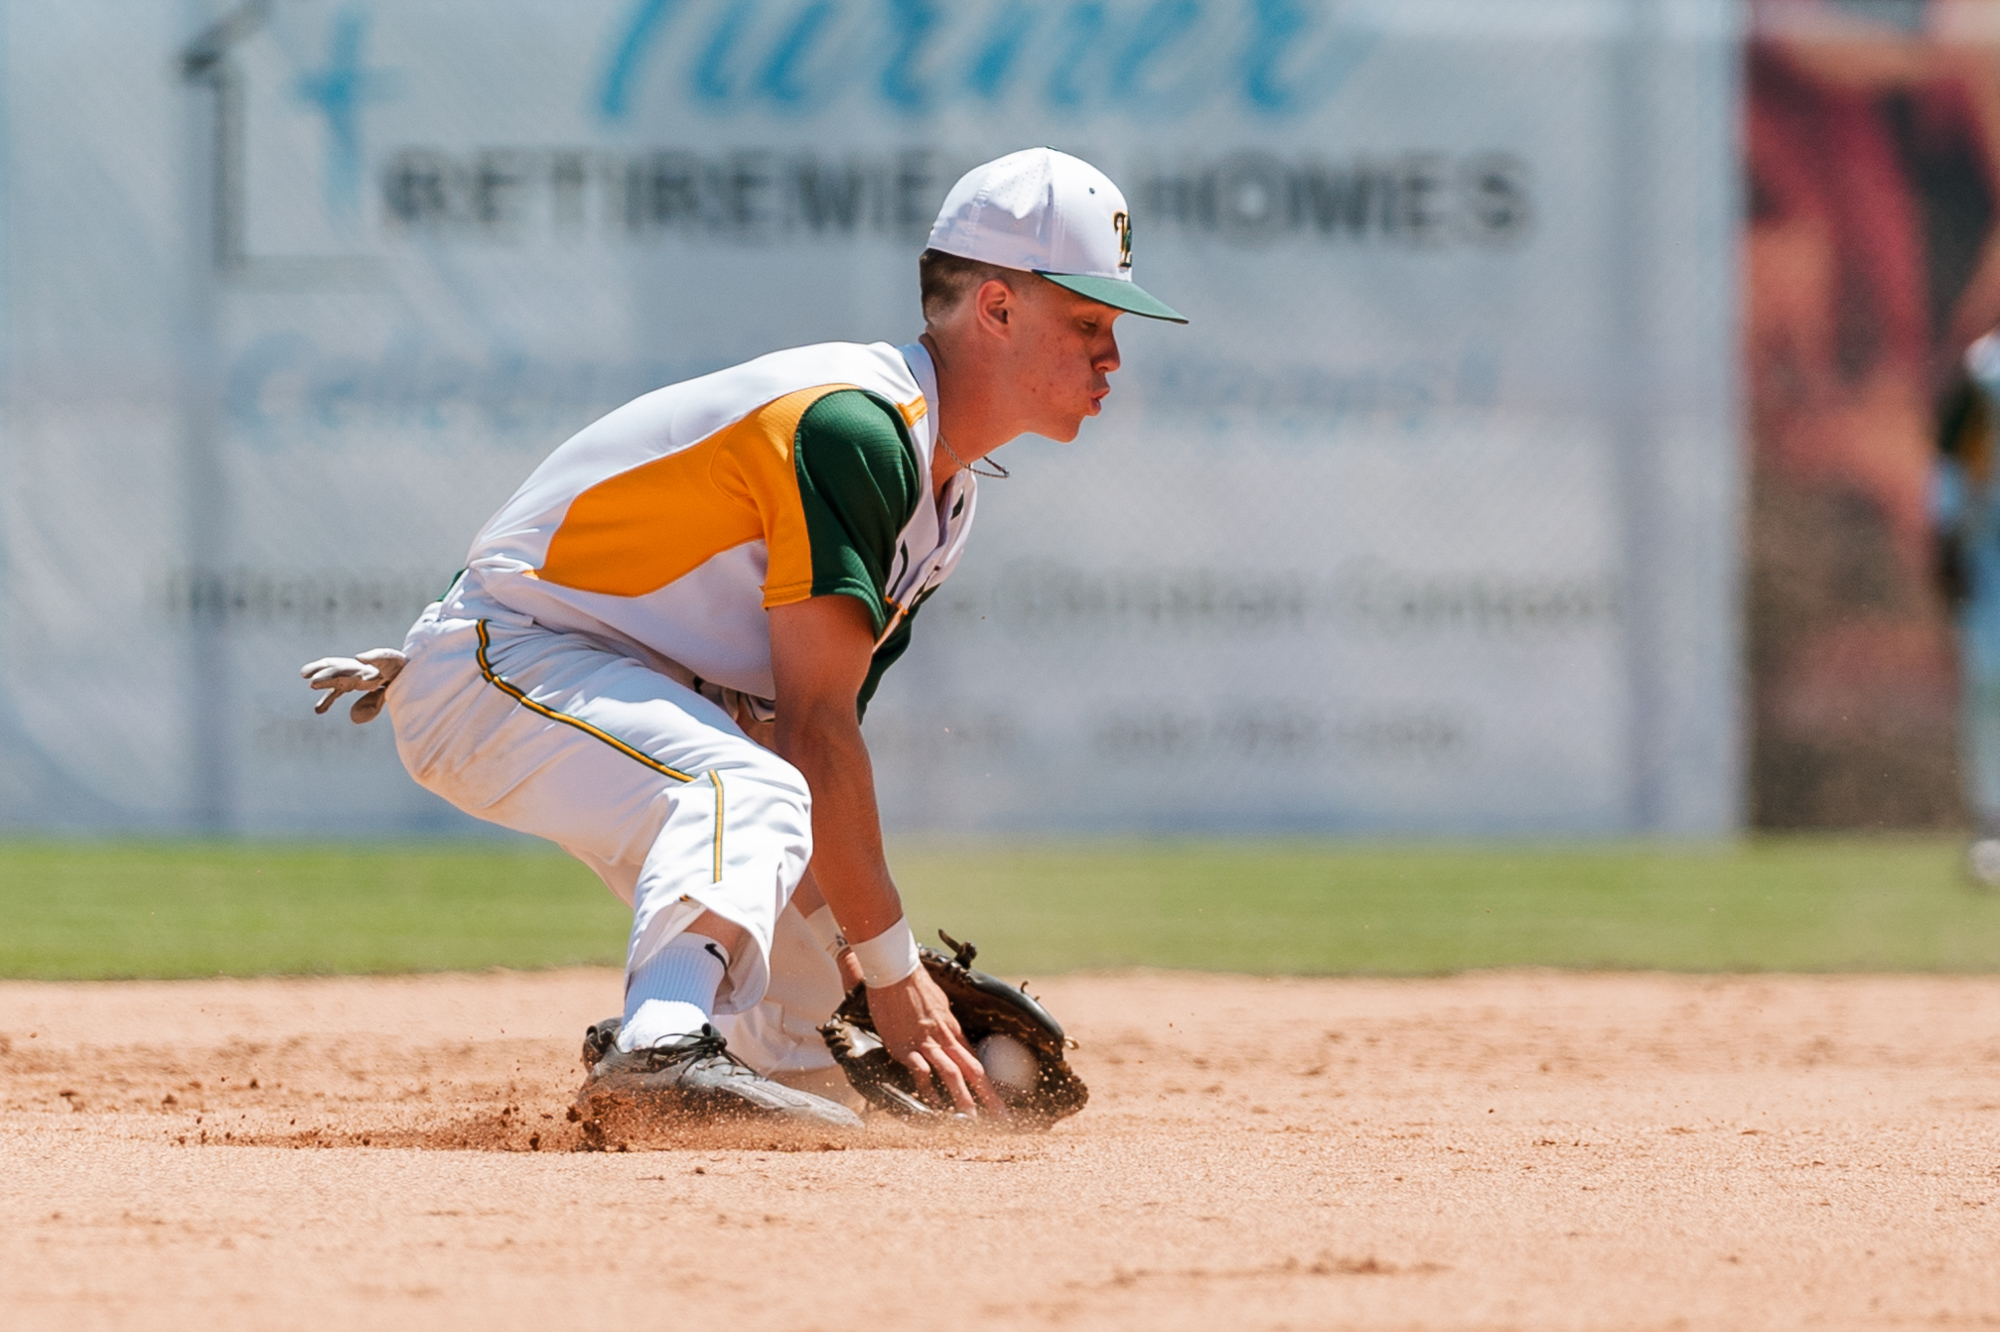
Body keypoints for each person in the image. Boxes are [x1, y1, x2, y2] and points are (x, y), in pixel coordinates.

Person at [301, 148, 1186, 1125]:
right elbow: (811, 739)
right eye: (1090, 322)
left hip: (618, 694)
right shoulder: (855, 427)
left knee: (810, 1014)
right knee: (748, 796)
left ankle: (728, 1061)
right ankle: (656, 1046)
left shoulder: (945, 501)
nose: (1112, 355)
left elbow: (793, 745)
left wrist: (858, 971)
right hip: (504, 660)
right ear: (996, 308)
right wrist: (894, 977)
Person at [1937, 330, 2000, 888]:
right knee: (1988, 686)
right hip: (1992, 557)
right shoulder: (1984, 369)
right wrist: (1948, 537)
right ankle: (1992, 828)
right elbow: (1953, 459)